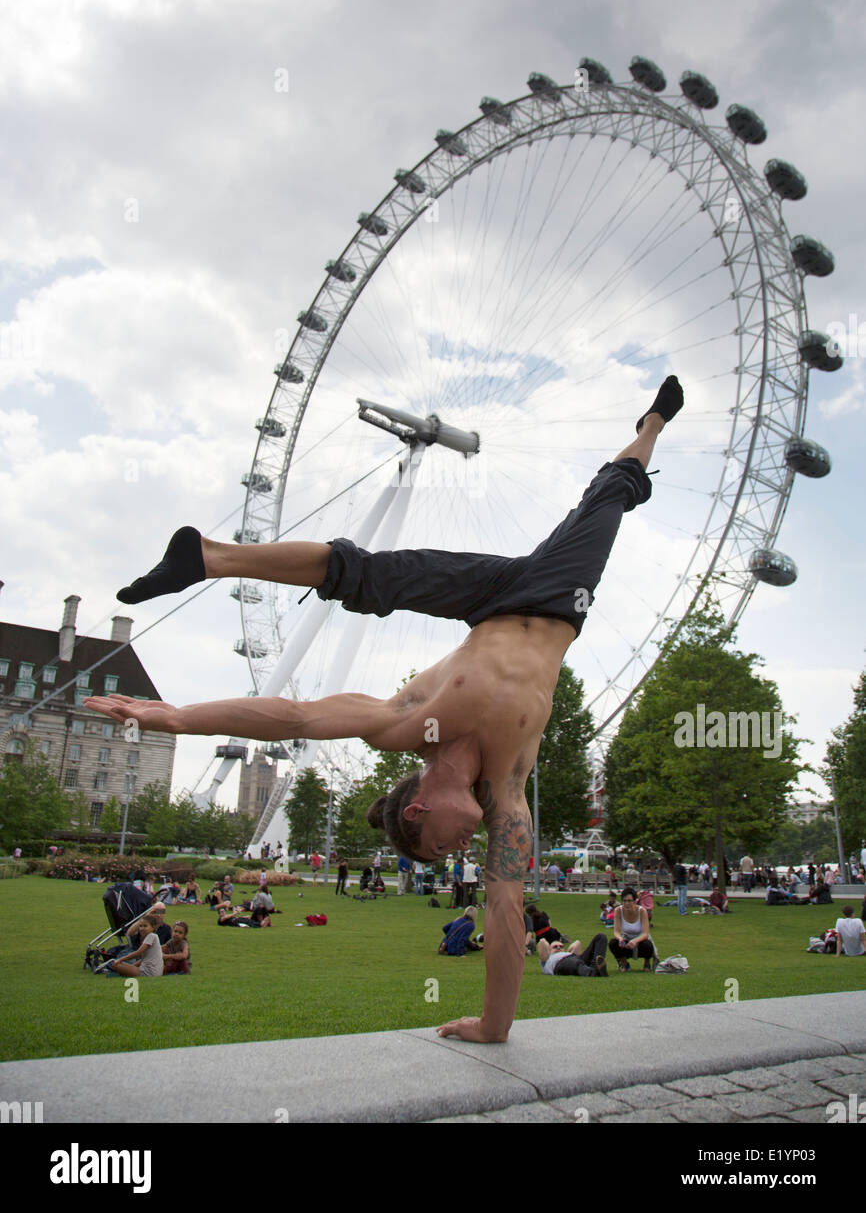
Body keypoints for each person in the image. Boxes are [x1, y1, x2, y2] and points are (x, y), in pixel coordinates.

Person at [88, 376, 683, 1043]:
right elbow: (508, 909)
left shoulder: (404, 724)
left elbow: (297, 717)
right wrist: (494, 1025)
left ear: (420, 809)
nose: (462, 846)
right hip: (551, 602)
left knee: (369, 575)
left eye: (442, 843)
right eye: (454, 851)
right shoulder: (509, 793)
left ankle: (212, 556)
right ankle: (654, 425)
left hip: (486, 592)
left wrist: (174, 717)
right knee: (609, 495)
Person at [610, 887, 654, 971]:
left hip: (640, 940)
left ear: (635, 901)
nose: (627, 903)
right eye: (624, 901)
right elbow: (616, 931)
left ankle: (647, 963)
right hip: (626, 939)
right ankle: (624, 964)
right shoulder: (618, 910)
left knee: (648, 944)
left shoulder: (642, 911)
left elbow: (645, 933)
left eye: (629, 901)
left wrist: (635, 941)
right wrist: (620, 939)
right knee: (613, 943)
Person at [538, 935, 608, 977]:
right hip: (561, 964)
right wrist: (545, 942)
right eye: (555, 947)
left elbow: (577, 943)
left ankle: (595, 967)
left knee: (600, 937)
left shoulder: (567, 953)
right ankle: (593, 972)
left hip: (575, 958)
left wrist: (569, 951)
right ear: (549, 950)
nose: (558, 947)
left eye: (561, 946)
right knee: (576, 963)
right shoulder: (547, 959)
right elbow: (542, 943)